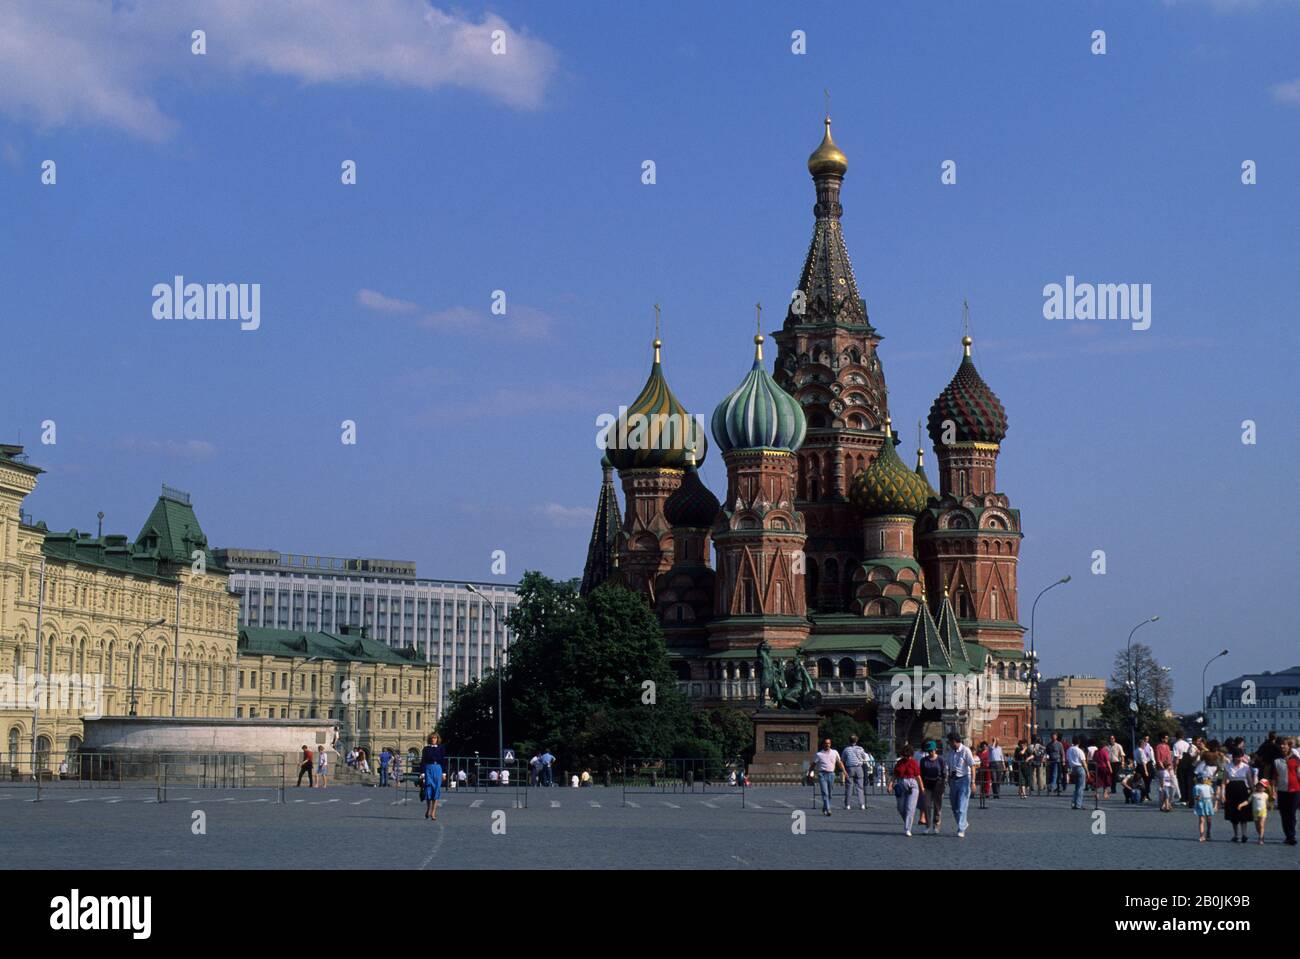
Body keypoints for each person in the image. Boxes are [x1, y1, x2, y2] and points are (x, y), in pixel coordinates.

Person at [945, 732, 979, 838]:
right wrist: (947, 778)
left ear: (954, 741)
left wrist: (973, 782)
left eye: (949, 742)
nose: (949, 744)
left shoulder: (966, 750)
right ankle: (963, 823)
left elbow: (972, 766)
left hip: (964, 779)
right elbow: (947, 766)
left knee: (961, 806)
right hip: (953, 780)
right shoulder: (950, 752)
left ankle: (961, 828)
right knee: (954, 806)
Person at [1223, 749, 1257, 843]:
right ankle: (1236, 835)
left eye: (1241, 757)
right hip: (1231, 789)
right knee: (1233, 813)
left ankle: (1244, 834)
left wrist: (1253, 791)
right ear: (1233, 757)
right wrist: (1222, 794)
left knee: (1244, 812)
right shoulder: (1227, 766)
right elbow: (1224, 781)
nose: (1240, 759)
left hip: (1242, 789)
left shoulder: (1246, 767)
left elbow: (1249, 780)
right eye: (1238, 757)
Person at [1270, 738, 1297, 846]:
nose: (1282, 747)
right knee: (1284, 814)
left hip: (1295, 790)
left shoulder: (1296, 759)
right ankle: (1287, 835)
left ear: (1289, 746)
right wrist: (1273, 791)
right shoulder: (1276, 761)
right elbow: (1273, 777)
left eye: (1284, 745)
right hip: (1282, 790)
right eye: (1280, 745)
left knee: (1292, 813)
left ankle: (1292, 836)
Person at [809, 738, 845, 816]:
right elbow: (813, 765)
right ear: (823, 744)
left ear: (830, 744)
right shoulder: (819, 754)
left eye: (828, 743)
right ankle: (828, 809)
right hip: (822, 774)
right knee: (825, 793)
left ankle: (825, 807)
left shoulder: (834, 752)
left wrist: (844, 772)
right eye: (826, 743)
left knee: (830, 794)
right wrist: (810, 773)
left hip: (831, 774)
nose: (827, 745)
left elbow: (839, 762)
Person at [893, 743, 923, 836]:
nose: (907, 758)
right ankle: (907, 820)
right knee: (901, 807)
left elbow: (918, 776)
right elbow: (895, 774)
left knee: (910, 808)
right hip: (901, 783)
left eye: (909, 756)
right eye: (906, 756)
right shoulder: (899, 762)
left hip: (912, 784)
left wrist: (922, 787)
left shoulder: (913, 762)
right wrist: (890, 784)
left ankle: (907, 828)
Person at [920, 741, 946, 834]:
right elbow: (921, 774)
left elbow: (944, 774)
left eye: (932, 750)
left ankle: (936, 824)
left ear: (936, 750)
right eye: (929, 751)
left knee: (937, 806)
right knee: (926, 805)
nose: (930, 752)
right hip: (927, 784)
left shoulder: (941, 760)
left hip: (938, 784)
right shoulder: (923, 760)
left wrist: (943, 787)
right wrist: (921, 787)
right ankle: (927, 825)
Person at [420, 733, 446, 821]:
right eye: (431, 738)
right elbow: (423, 761)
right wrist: (422, 773)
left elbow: (443, 760)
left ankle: (433, 812)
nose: (433, 739)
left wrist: (444, 773)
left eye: (434, 738)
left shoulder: (441, 748)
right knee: (428, 789)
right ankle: (428, 809)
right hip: (428, 769)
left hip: (438, 768)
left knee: (436, 790)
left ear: (437, 739)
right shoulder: (426, 749)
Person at [1239, 780, 1271, 845]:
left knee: (1261, 825)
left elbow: (1267, 803)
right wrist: (1241, 805)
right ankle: (1261, 835)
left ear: (1265, 788)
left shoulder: (1265, 795)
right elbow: (1248, 801)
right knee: (1257, 827)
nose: (1260, 787)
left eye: (1262, 786)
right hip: (1255, 813)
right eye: (1259, 785)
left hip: (1263, 812)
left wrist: (1269, 806)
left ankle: (1260, 838)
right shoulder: (1253, 794)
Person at [842, 735, 869, 810]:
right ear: (856, 741)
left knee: (849, 787)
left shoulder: (846, 749)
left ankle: (847, 805)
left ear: (849, 740)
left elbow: (843, 759)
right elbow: (865, 757)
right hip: (859, 768)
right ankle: (862, 804)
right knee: (860, 787)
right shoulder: (860, 749)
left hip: (849, 768)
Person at [1066, 736, 1088, 809]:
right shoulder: (1079, 750)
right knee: (1080, 787)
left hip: (1072, 769)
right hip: (1079, 768)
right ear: (1079, 742)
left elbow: (1067, 761)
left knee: (1076, 787)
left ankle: (1073, 803)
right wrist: (1087, 771)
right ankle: (1078, 804)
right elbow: (1083, 762)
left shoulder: (1068, 750)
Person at [1193, 776, 1217, 842]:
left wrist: (1214, 804)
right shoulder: (1196, 787)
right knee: (1201, 820)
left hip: (1208, 802)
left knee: (1209, 819)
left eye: (1204, 779)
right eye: (1202, 779)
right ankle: (1201, 835)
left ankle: (1208, 832)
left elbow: (1212, 796)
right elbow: (1196, 797)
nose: (1204, 780)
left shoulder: (1209, 786)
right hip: (1201, 803)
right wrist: (1199, 797)